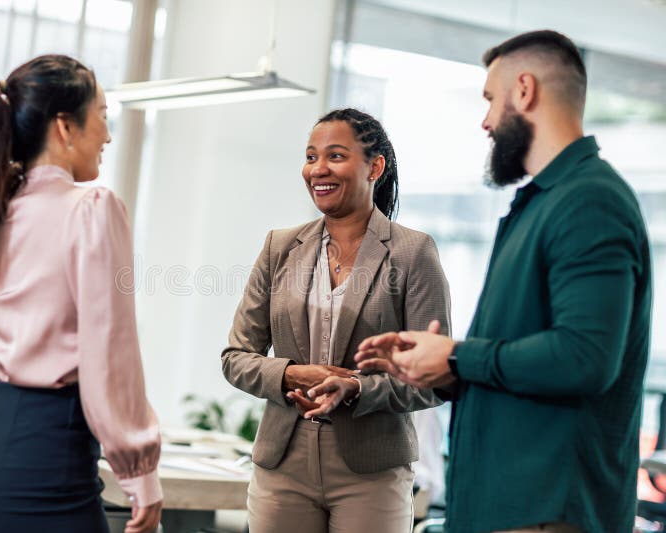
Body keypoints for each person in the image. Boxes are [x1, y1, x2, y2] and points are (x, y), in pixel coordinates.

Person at [355, 30, 653, 533]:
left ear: (524, 90)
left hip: (547, 509)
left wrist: (455, 356)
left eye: (491, 99)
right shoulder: (543, 203)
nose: (486, 120)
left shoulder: (589, 202)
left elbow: (585, 358)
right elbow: (529, 357)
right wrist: (443, 368)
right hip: (507, 505)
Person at [0, 55, 162, 533]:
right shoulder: (92, 208)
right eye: (103, 117)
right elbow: (111, 356)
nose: (108, 136)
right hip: (45, 479)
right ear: (65, 126)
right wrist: (142, 476)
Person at [221, 108, 451, 533]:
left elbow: (434, 379)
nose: (318, 169)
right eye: (310, 157)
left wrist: (357, 387)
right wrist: (291, 374)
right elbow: (235, 357)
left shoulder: (412, 253)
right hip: (283, 465)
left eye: (336, 156)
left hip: (371, 470)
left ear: (375, 167)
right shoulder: (280, 247)